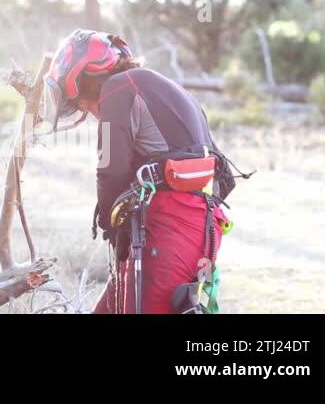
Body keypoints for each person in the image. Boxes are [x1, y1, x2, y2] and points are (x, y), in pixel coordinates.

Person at [41, 29, 246, 314]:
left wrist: (110, 224)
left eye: (79, 103)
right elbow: (223, 177)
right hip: (198, 227)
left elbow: (110, 172)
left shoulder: (116, 88)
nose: (86, 111)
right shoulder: (170, 90)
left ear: (84, 81)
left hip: (169, 229)